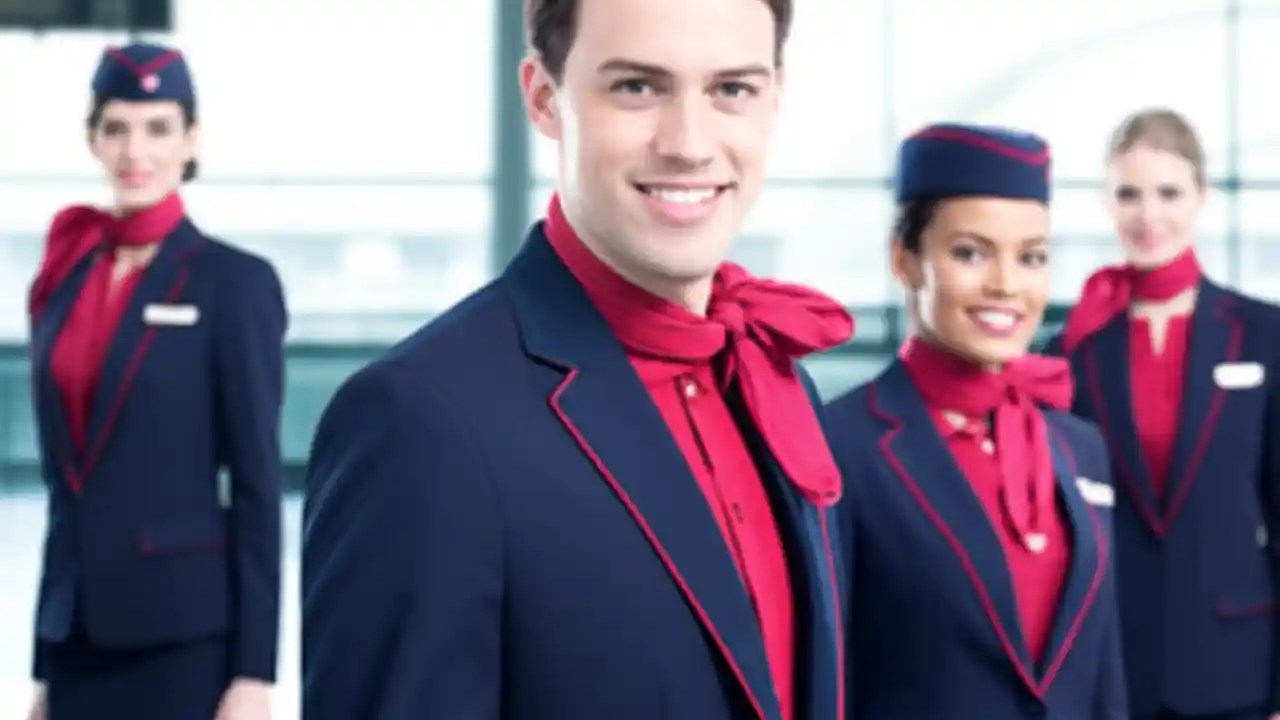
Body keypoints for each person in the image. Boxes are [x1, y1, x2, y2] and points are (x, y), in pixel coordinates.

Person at [300, 0, 854, 718]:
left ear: (774, 98)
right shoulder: (421, 423)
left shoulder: (781, 385)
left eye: (731, 90)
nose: (688, 143)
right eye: (636, 87)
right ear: (543, 97)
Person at [824, 123, 1128, 718]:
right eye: (970, 252)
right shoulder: (842, 446)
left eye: (1031, 257)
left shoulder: (1079, 446)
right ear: (905, 259)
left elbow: (1103, 675)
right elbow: (826, 680)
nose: (1007, 285)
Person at [24, 42, 287, 720]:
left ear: (190, 139)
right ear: (92, 139)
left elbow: (257, 485)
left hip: (185, 640)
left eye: (157, 127)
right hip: (74, 639)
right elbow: (66, 488)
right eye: (116, 127)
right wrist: (43, 666)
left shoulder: (233, 284)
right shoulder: (65, 282)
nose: (134, 149)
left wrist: (254, 672)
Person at [1044, 108, 1280, 720]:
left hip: (1237, 663)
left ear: (1200, 197)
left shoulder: (1263, 336)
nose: (1149, 215)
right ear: (1106, 202)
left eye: (1168, 192)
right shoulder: (1072, 350)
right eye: (1129, 194)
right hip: (1113, 661)